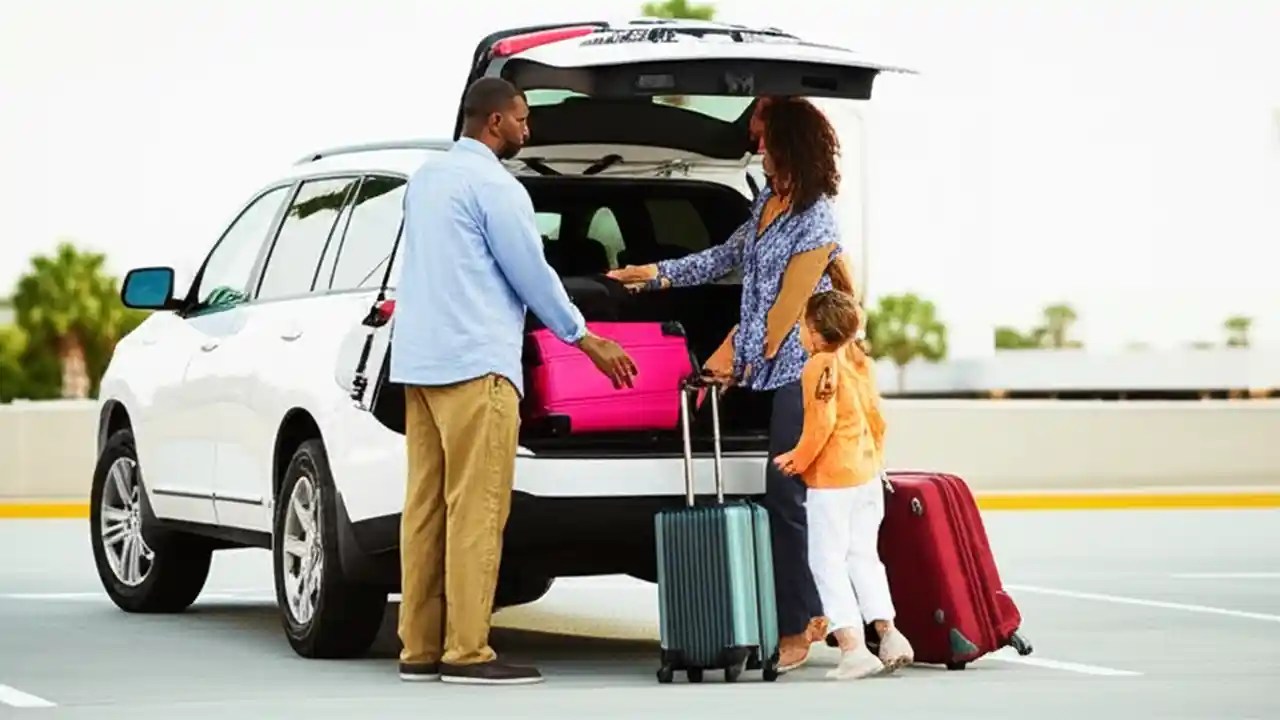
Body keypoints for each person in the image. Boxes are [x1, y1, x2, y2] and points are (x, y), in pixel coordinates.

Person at [390, 77, 638, 686]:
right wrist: (586, 336)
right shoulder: (496, 188)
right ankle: (468, 653)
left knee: (424, 510)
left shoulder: (425, 181)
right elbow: (532, 273)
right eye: (523, 121)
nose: (529, 132)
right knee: (476, 511)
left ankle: (419, 649)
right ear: (495, 122)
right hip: (477, 369)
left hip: (420, 369)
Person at [608, 97, 858, 671]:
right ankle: (799, 613)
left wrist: (732, 364)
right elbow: (725, 258)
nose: (755, 145)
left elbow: (783, 314)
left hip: (801, 370)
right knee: (780, 498)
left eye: (763, 136)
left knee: (786, 496)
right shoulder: (769, 202)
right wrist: (657, 275)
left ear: (790, 142)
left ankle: (802, 624)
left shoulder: (816, 218)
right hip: (765, 367)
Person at [773, 290, 914, 679]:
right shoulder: (859, 361)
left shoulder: (819, 365)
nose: (801, 333)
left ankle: (852, 646)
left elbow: (822, 423)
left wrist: (796, 459)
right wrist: (877, 461)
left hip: (834, 480)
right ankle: (889, 634)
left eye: (803, 325)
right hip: (868, 475)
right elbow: (877, 419)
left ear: (816, 332)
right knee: (864, 557)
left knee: (825, 560)